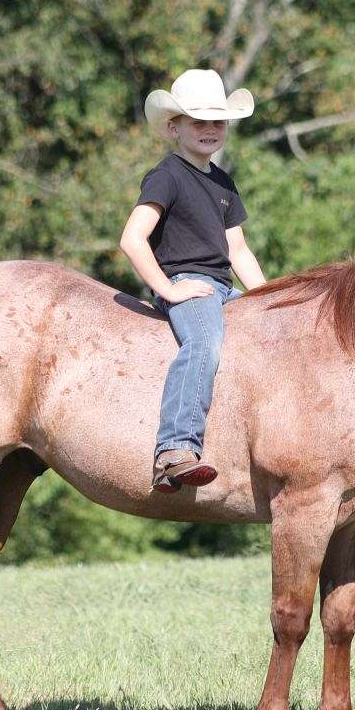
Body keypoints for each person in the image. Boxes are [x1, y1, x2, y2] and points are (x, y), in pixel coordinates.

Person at [118, 69, 268, 492]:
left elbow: (237, 251)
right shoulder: (166, 175)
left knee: (278, 336)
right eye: (197, 121)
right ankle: (175, 450)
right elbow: (132, 239)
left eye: (217, 121)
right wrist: (168, 288)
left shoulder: (223, 182)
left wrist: (270, 299)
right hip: (190, 282)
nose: (209, 129)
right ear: (173, 127)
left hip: (223, 288)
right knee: (204, 343)